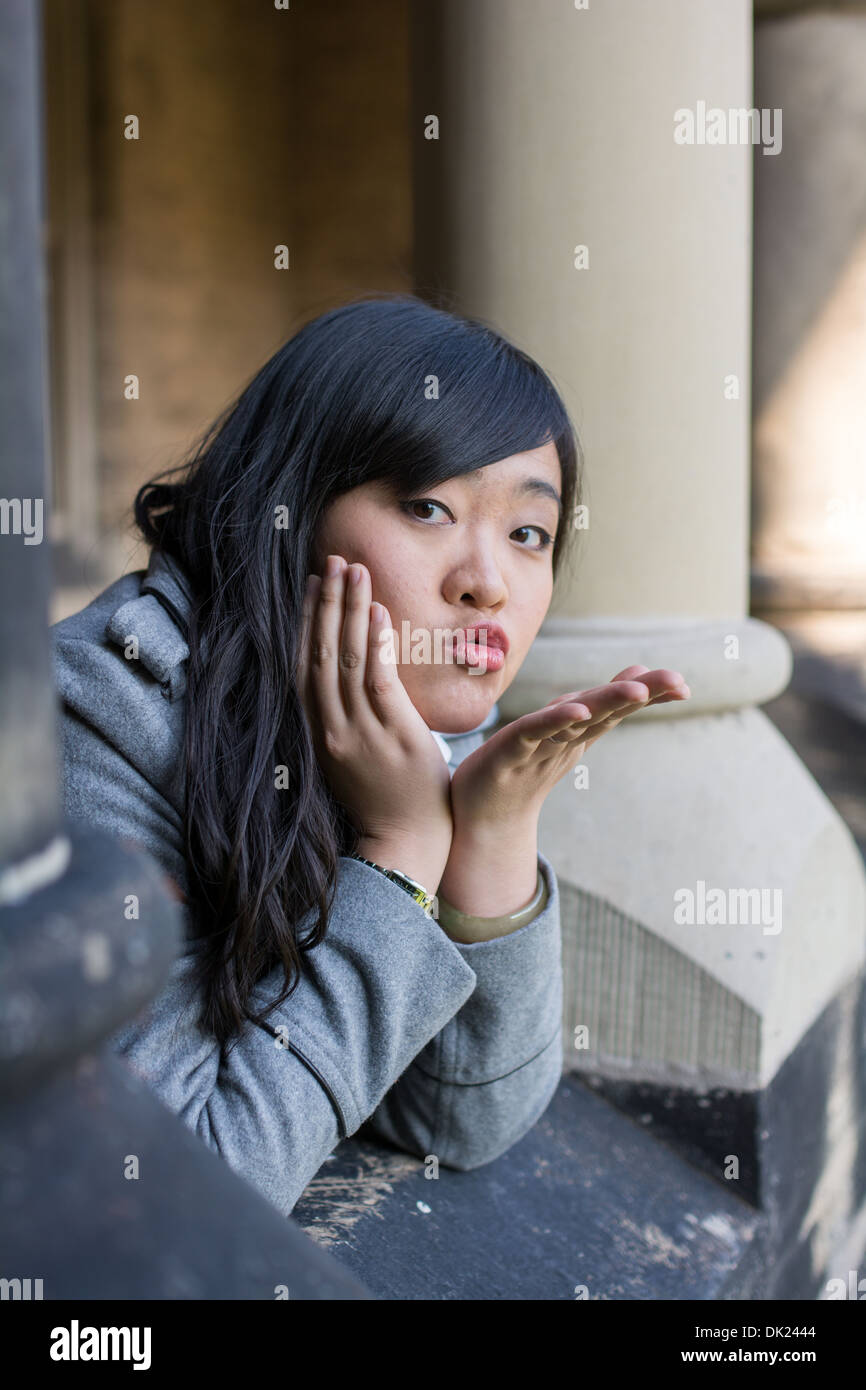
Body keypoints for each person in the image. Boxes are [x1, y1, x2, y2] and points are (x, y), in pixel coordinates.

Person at [51, 293, 689, 1218]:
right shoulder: (106, 711)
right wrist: (395, 855)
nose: (486, 583)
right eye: (428, 507)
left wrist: (491, 842)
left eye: (528, 534)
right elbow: (189, 1187)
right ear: (291, 505)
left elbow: (465, 1122)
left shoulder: (415, 697)